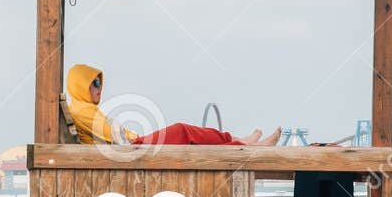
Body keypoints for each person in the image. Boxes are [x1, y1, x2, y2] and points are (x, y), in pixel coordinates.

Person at [65, 64, 280, 148]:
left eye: (100, 82)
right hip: (131, 149)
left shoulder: (83, 109)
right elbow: (115, 134)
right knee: (181, 131)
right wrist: (137, 141)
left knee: (186, 136)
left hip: (129, 148)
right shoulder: (82, 111)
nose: (99, 88)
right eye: (94, 83)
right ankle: (242, 144)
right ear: (80, 86)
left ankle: (239, 142)